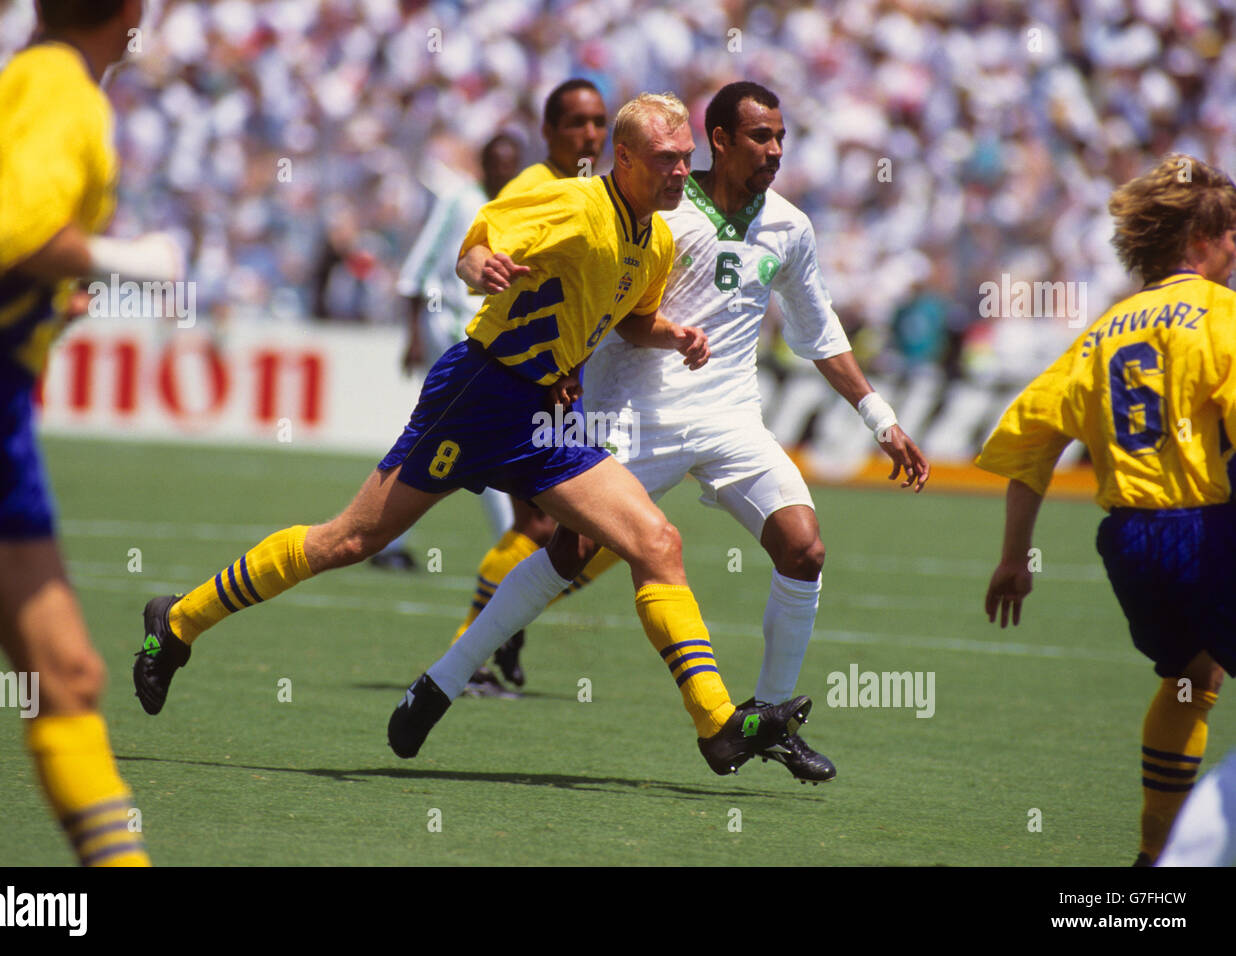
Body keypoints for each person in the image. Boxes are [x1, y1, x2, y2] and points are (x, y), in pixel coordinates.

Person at [136, 93, 813, 776]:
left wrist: (672, 333)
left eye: (686, 159)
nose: (679, 173)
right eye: (667, 160)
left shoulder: (657, 237)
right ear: (626, 158)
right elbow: (479, 241)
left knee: (655, 542)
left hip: (544, 415)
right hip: (478, 392)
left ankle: (718, 725)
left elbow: (630, 317)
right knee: (350, 539)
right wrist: (478, 267)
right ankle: (179, 624)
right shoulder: (575, 205)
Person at [396, 81, 930, 782]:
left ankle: (765, 721)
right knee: (569, 552)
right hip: (632, 415)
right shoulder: (661, 213)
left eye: (781, 138)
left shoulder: (789, 227)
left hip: (733, 420)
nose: (774, 151)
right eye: (760, 138)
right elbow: (592, 296)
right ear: (718, 140)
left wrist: (879, 419)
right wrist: (562, 373)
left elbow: (818, 331)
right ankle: (444, 677)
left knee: (804, 550)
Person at [0, 0, 185, 866]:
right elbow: (22, 230)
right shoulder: (64, 95)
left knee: (68, 676)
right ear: (131, 17)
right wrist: (136, 259)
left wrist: (47, 301)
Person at [978, 153, 1236, 865]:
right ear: (1200, 241)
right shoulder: (1223, 318)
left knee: (1190, 679)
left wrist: (1012, 559)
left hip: (1128, 541)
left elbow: (1030, 441)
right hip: (1208, 530)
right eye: (1232, 234)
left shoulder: (1103, 331)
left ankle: (1155, 857)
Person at [446, 78, 613, 693]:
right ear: (549, 132)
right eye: (577, 123)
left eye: (599, 122)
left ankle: (499, 633)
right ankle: (475, 649)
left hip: (562, 383)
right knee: (550, 530)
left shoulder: (593, 190)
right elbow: (481, 254)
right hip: (518, 383)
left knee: (584, 534)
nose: (591, 134)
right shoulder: (534, 189)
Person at [368, 132, 523, 572]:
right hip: (451, 328)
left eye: (511, 163)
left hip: (485, 332)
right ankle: (510, 549)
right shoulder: (461, 201)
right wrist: (414, 333)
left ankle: (387, 540)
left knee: (443, 435)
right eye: (496, 162)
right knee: (481, 436)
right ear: (483, 165)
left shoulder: (517, 205)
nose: (503, 171)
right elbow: (423, 262)